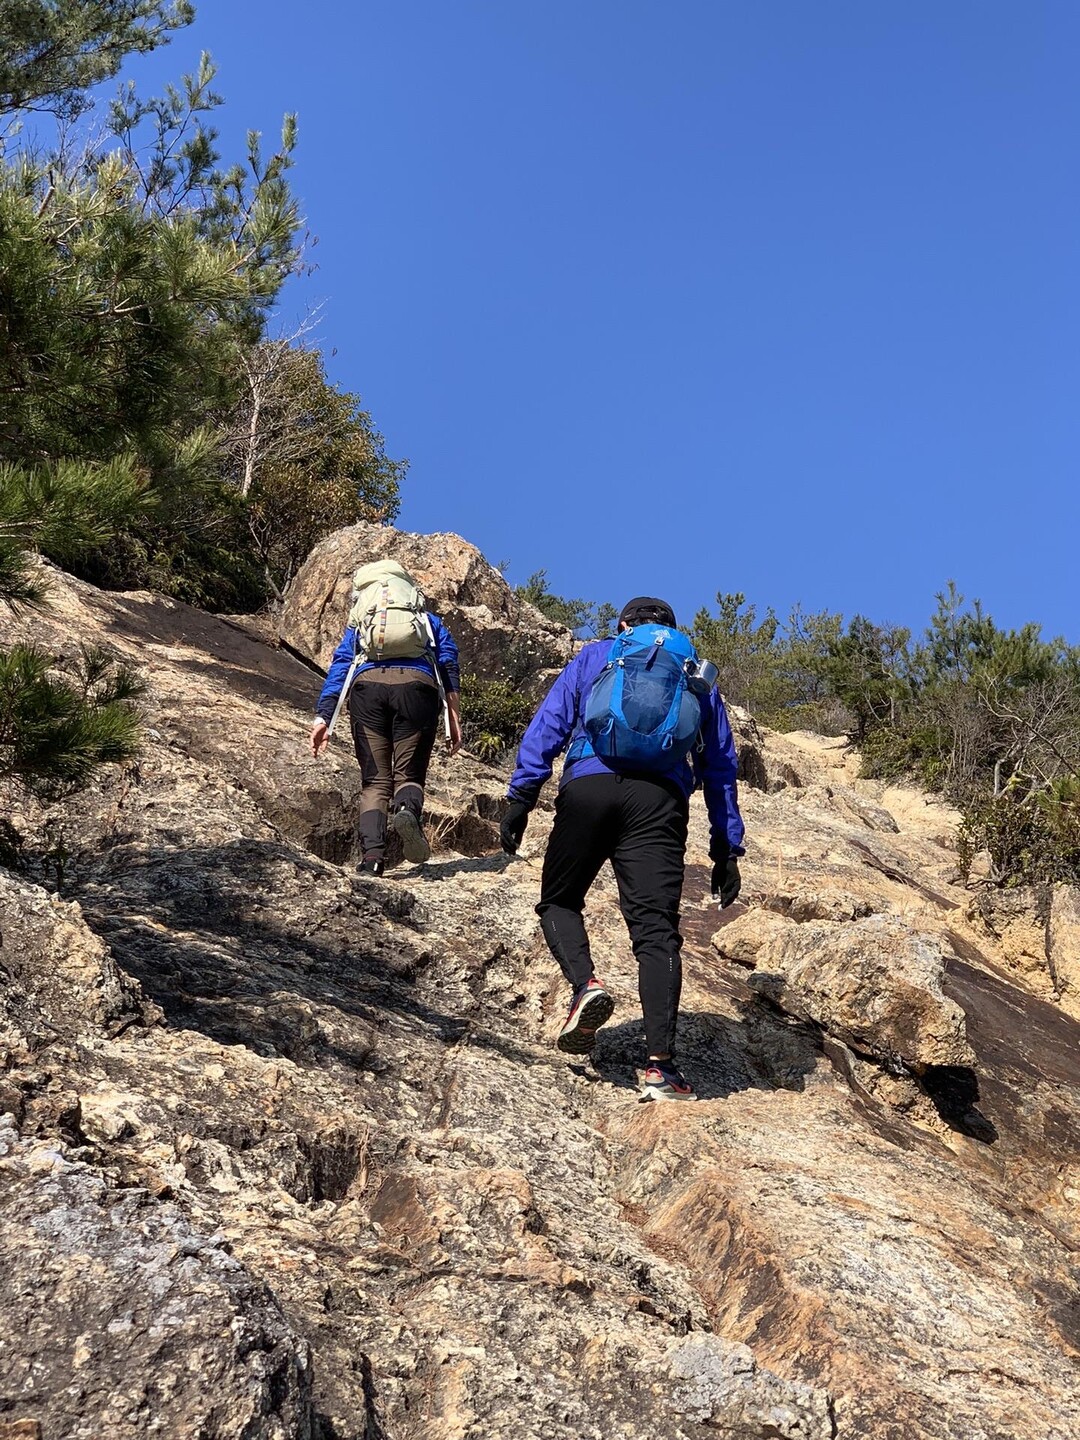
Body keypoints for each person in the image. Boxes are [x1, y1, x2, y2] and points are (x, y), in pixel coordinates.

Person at [500, 596, 745, 1101]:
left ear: (624, 626)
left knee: (561, 900)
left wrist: (521, 797)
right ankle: (661, 1070)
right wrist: (726, 849)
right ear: (673, 634)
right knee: (656, 932)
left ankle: (586, 984)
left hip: (590, 785)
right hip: (659, 800)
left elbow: (550, 723)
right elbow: (720, 767)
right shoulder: (696, 677)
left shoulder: (596, 656)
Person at [310, 576, 463, 875]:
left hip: (368, 690)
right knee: (409, 774)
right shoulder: (426, 620)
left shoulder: (363, 623)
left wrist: (323, 717)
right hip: (417, 688)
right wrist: (453, 716)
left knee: (375, 782)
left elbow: (342, 663)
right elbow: (448, 662)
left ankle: (373, 859)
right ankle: (406, 810)